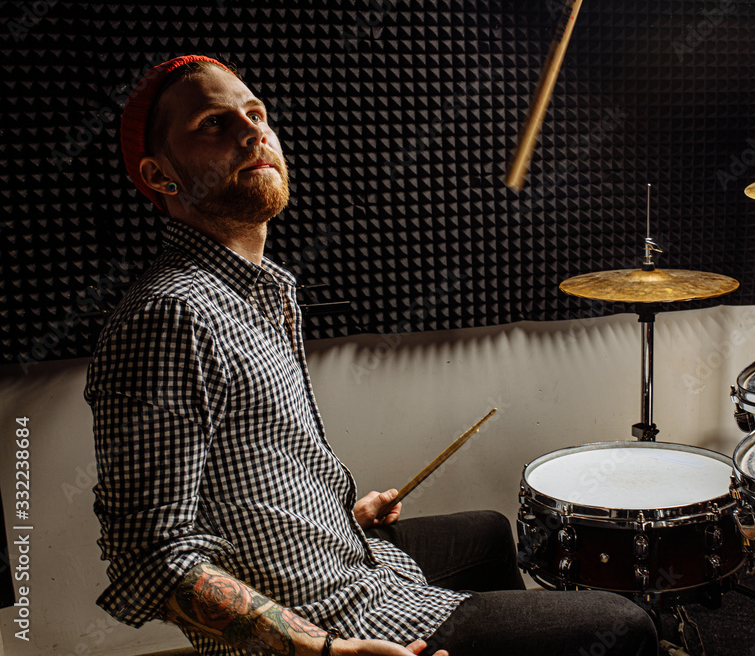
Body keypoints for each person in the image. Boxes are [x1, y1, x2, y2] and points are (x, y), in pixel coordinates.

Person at [85, 55, 658, 656]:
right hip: (325, 617)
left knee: (488, 535)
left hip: (348, 555)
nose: (252, 132)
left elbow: (249, 475)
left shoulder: (262, 289)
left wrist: (337, 515)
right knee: (625, 626)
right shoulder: (169, 315)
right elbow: (151, 556)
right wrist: (330, 651)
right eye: (212, 124)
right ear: (159, 175)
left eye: (255, 114)